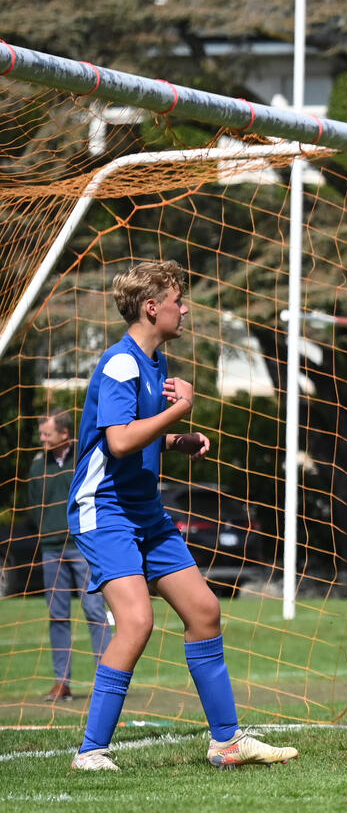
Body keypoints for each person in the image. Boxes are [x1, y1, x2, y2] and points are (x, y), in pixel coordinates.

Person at [65, 260, 296, 770]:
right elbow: (120, 441)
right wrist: (180, 413)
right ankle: (91, 751)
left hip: (145, 509)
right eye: (177, 299)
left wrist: (176, 440)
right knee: (136, 621)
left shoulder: (154, 362)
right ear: (152, 307)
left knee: (204, 612)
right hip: (104, 510)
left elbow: (131, 436)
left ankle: (227, 741)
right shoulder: (122, 363)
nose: (184, 307)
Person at [24, 409, 109, 701]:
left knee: (95, 611)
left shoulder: (84, 457)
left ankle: (107, 679)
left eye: (47, 433)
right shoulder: (37, 466)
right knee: (58, 616)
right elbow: (33, 504)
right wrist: (47, 529)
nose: (42, 438)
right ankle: (62, 682)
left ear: (64, 434)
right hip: (51, 548)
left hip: (84, 544)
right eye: (41, 433)